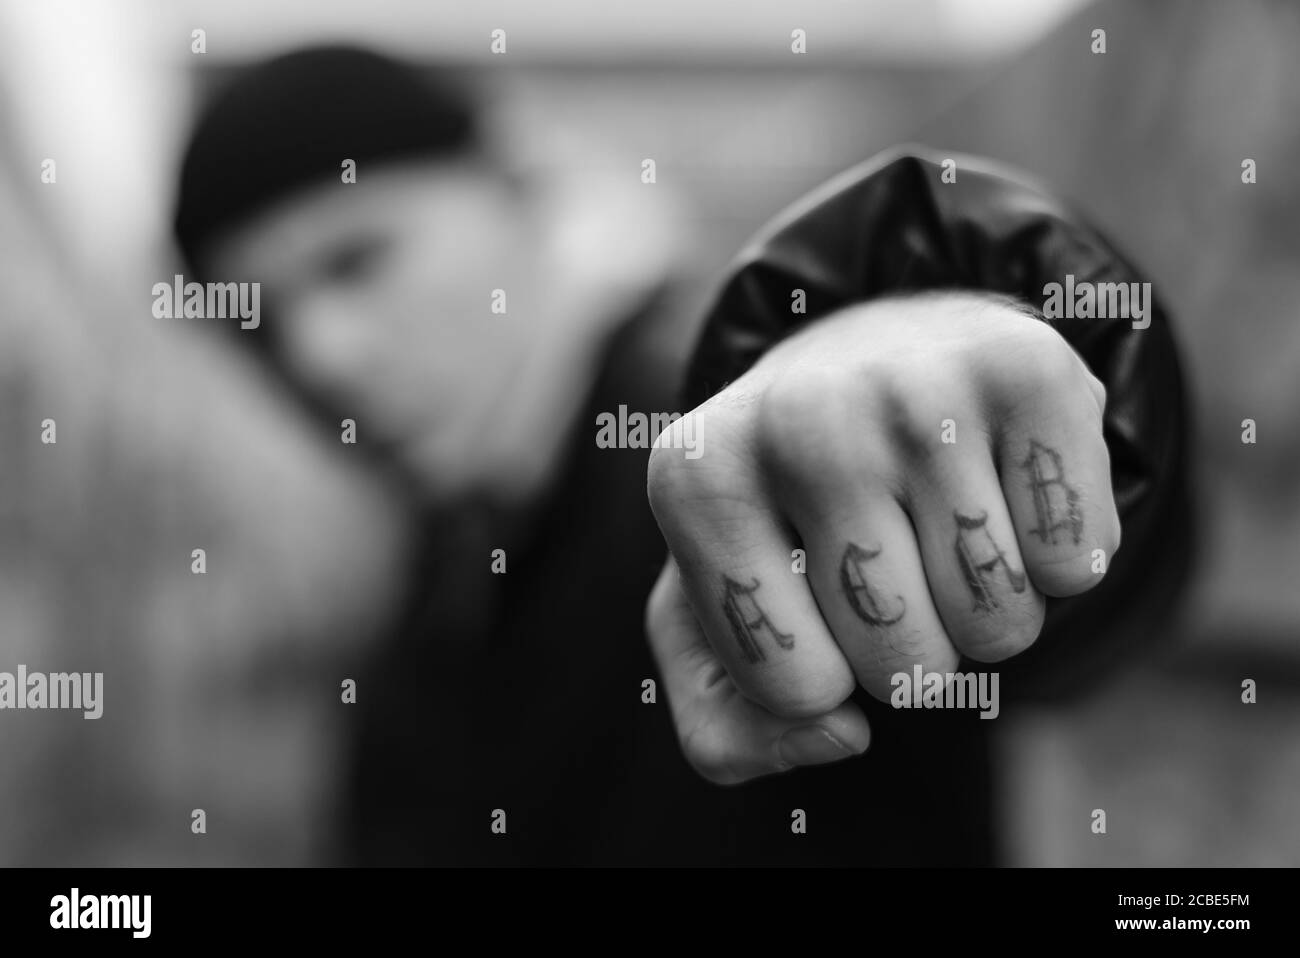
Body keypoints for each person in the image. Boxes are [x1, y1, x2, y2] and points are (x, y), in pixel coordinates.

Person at [172, 46, 1191, 865]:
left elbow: (1090, 558)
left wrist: (960, 334)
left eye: (358, 258)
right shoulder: (431, 602)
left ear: (520, 180)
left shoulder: (704, 431)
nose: (322, 355)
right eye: (262, 322)